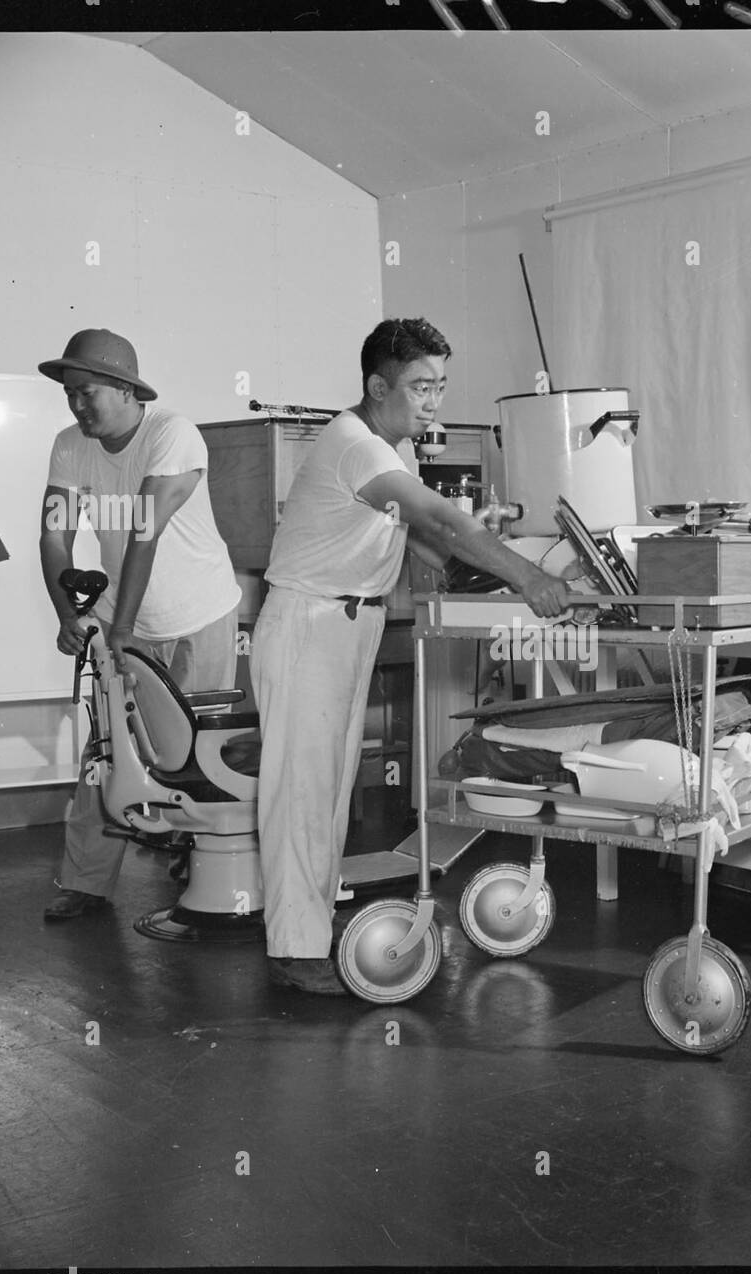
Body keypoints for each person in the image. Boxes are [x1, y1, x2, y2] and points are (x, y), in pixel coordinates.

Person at [254, 317, 572, 994]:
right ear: (378, 385)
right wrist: (527, 577)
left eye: (441, 386)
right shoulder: (356, 445)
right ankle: (293, 951)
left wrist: (475, 563)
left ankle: (304, 933)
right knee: (303, 793)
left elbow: (428, 542)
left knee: (329, 790)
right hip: (310, 622)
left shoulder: (393, 453)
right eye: (421, 386)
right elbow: (440, 522)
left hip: (349, 622)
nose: (434, 401)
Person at [37, 328, 241, 922]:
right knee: (107, 749)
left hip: (196, 612)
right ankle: (85, 881)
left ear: (126, 388)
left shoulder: (172, 434)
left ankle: (199, 862)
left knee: (195, 755)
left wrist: (118, 627)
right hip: (125, 612)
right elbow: (55, 532)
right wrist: (68, 614)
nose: (77, 405)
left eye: (87, 391)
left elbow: (142, 531)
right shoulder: (70, 445)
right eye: (69, 393)